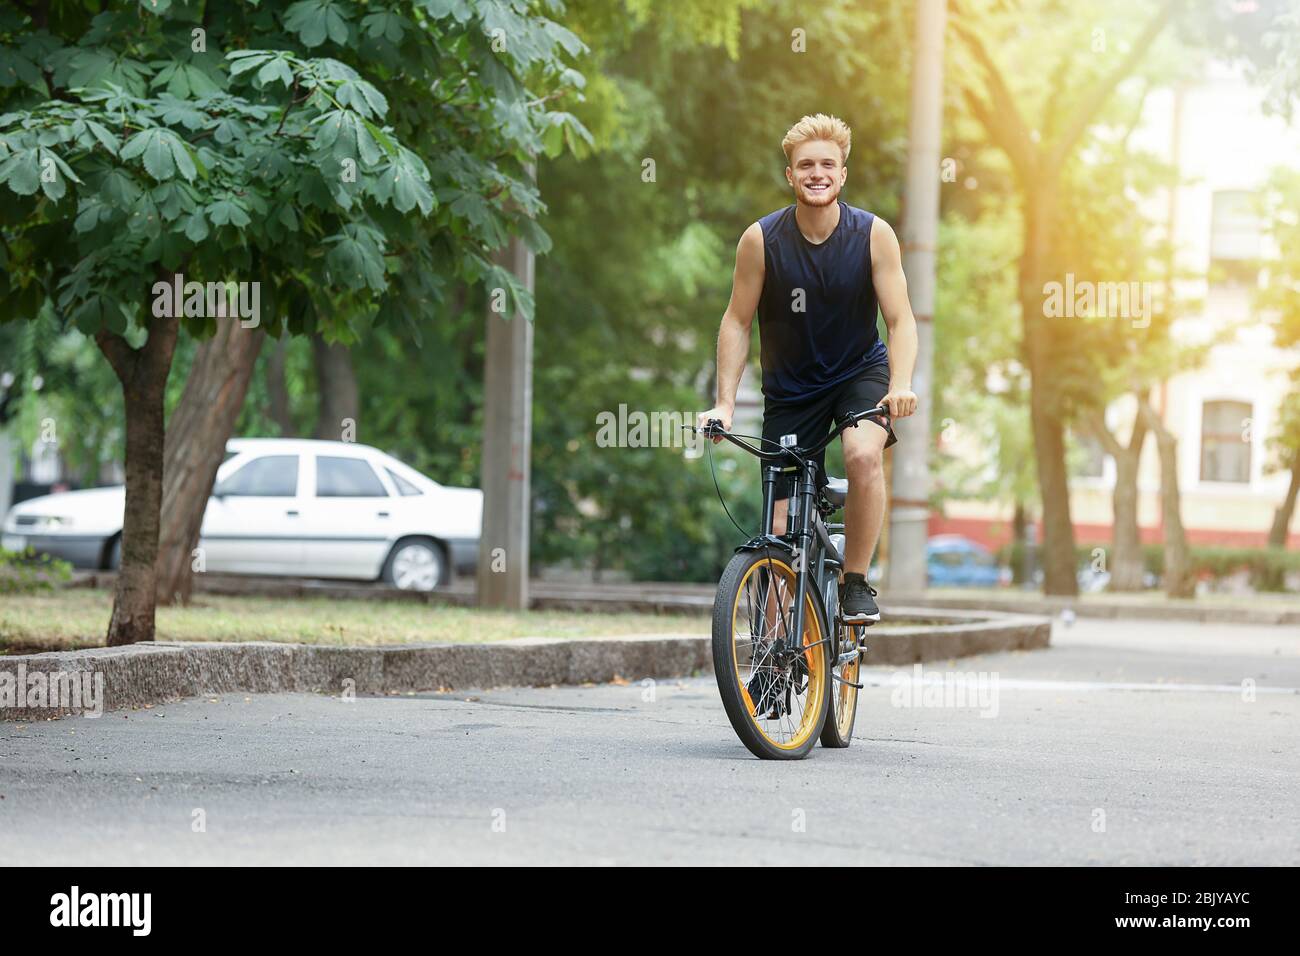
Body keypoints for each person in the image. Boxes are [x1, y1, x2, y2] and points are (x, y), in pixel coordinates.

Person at [697, 113, 919, 622]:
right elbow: (735, 321)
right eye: (805, 166)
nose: (816, 173)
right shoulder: (761, 240)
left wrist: (901, 384)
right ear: (790, 176)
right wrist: (725, 405)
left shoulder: (873, 235)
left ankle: (855, 582)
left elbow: (901, 319)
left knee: (863, 457)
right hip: (791, 391)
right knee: (778, 531)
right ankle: (773, 660)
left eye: (827, 165)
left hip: (857, 373)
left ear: (842, 174)